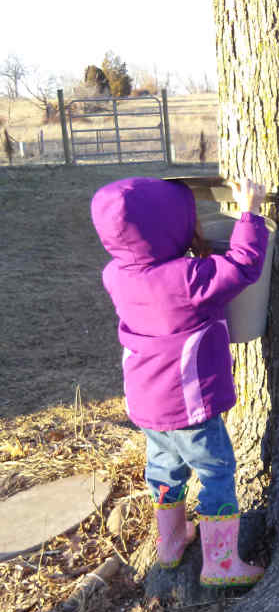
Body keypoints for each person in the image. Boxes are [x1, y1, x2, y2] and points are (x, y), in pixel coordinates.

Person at [91, 175, 268, 587]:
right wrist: (249, 215)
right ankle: (220, 563)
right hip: (189, 407)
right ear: (168, 228)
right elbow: (242, 266)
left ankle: (170, 544)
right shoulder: (187, 278)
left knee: (164, 470)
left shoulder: (115, 275)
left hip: (146, 404)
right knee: (216, 473)